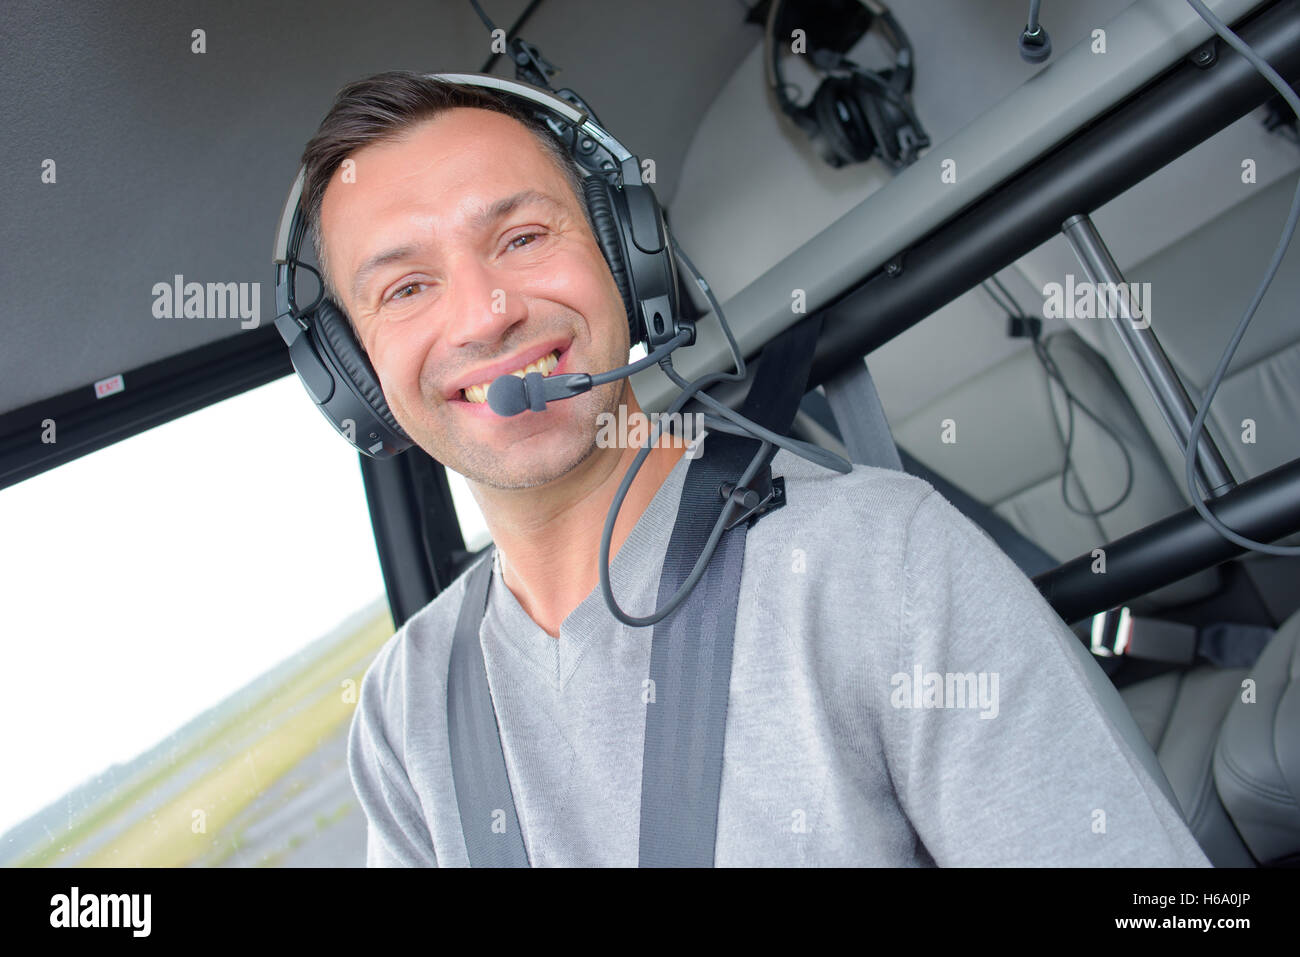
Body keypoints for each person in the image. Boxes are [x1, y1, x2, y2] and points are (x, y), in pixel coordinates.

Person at [299, 70, 1212, 866]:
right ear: (353, 377)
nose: (484, 314)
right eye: (405, 288)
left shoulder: (879, 562)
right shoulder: (406, 710)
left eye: (523, 237)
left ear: (626, 259)